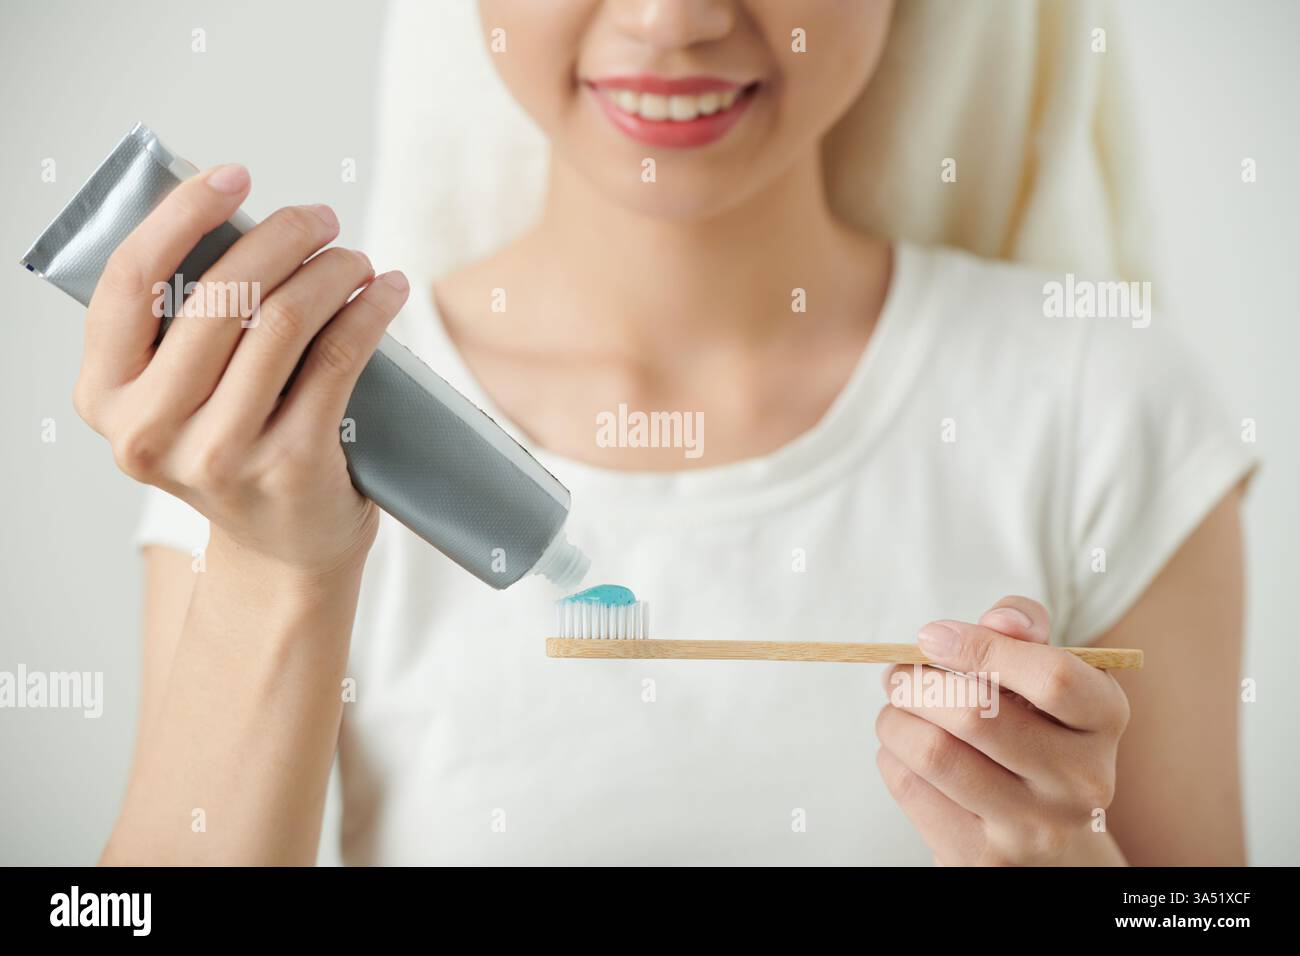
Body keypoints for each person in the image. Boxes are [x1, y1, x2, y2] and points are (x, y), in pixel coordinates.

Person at [85, 0, 1254, 865]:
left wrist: (1068, 863)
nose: (671, 19)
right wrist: (275, 568)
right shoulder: (273, 437)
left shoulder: (1105, 409)